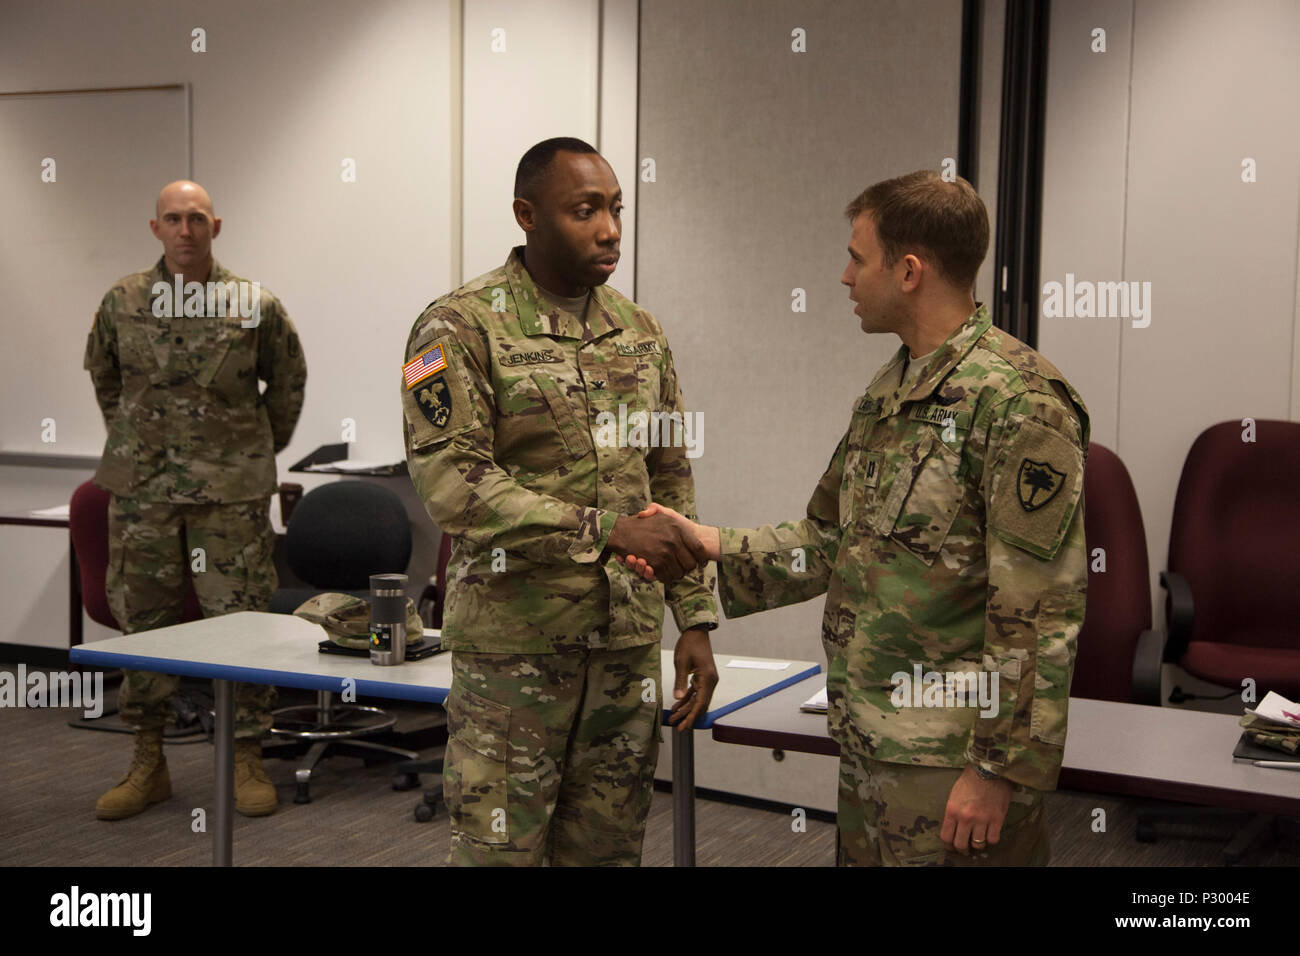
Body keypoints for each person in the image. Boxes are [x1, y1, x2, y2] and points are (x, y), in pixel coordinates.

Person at [623, 170, 1089, 866]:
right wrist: (708, 541)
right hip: (872, 742)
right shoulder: (891, 389)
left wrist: (998, 770)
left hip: (953, 763)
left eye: (856, 257)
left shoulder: (1020, 401)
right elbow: (833, 539)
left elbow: (1039, 614)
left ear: (908, 271)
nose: (844, 277)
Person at [401, 137, 717, 865]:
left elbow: (669, 477)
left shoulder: (641, 333)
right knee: (499, 854)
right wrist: (607, 531)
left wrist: (694, 616)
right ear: (527, 215)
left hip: (624, 646)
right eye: (585, 210)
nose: (609, 228)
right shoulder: (454, 328)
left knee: (607, 852)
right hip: (516, 650)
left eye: (615, 209)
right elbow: (455, 487)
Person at [85, 180, 307, 820]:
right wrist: (133, 443)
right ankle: (147, 761)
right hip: (142, 492)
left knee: (240, 625)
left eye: (197, 220)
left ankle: (245, 757)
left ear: (216, 226)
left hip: (229, 494)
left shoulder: (251, 302)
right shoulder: (121, 301)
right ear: (155, 228)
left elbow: (287, 380)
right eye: (173, 219)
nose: (186, 230)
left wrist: (247, 449)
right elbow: (106, 378)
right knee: (143, 624)